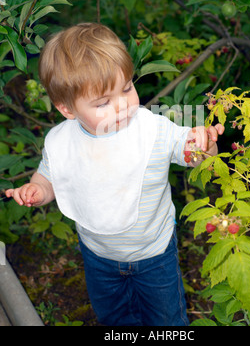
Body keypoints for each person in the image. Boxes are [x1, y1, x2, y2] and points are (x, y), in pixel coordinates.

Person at [6, 23, 224, 326]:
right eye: (103, 103)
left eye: (127, 88)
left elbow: (192, 154)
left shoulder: (151, 130)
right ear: (67, 109)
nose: (122, 105)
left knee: (166, 319)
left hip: (154, 254)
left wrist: (204, 144)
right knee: (114, 317)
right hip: (97, 256)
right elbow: (49, 176)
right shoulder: (61, 141)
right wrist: (38, 190)